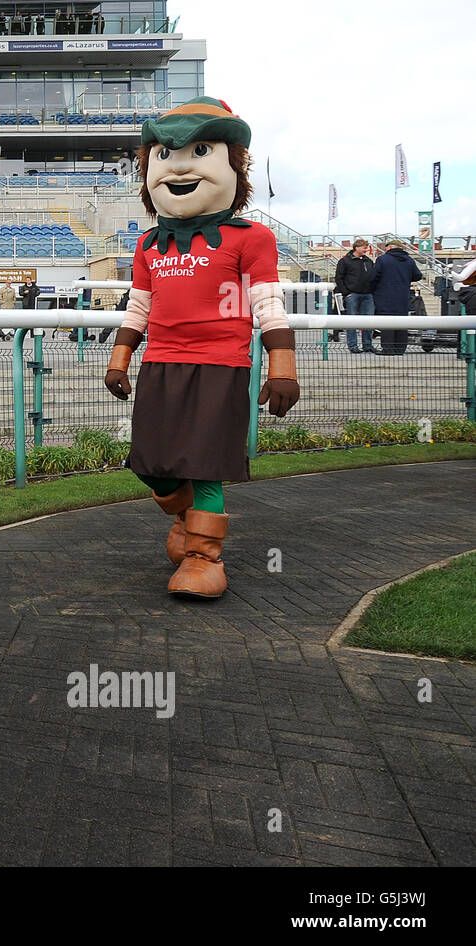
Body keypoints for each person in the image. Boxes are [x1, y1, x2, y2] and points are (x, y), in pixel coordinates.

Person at [103, 96, 299, 598]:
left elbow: (268, 306)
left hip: (221, 365)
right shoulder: (148, 244)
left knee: (206, 464)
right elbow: (138, 309)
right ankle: (188, 516)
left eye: (201, 149)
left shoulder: (251, 238)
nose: (180, 166)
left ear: (232, 163)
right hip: (162, 364)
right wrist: (119, 359)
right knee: (151, 466)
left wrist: (282, 366)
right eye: (165, 156)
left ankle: (202, 557)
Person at [370, 239, 423, 355]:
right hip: (403, 296)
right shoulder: (409, 260)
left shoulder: (383, 259)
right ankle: (400, 349)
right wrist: (405, 278)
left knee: (387, 322)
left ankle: (388, 349)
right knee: (402, 322)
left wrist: (372, 289)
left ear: (389, 247)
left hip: (384, 296)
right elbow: (418, 275)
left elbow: (374, 277)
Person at [334, 238, 376, 353]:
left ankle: (367, 345)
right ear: (357, 247)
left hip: (367, 294)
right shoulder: (344, 261)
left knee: (369, 322)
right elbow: (339, 278)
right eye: (364, 248)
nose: (366, 250)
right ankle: (353, 346)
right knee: (351, 322)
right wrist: (346, 293)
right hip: (352, 295)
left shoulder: (368, 261)